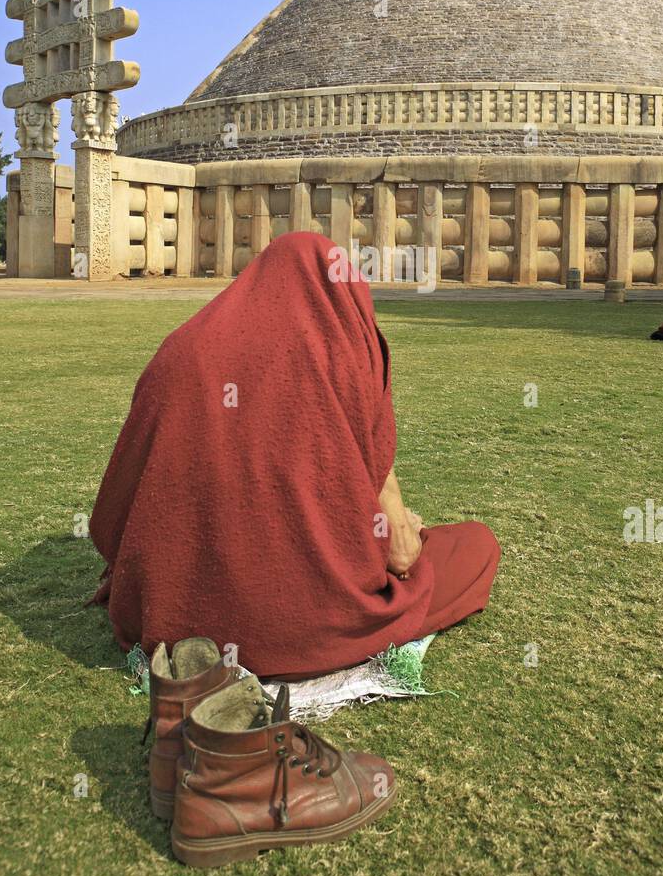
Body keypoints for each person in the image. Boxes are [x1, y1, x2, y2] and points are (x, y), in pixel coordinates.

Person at [88, 232, 500, 679]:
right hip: (304, 627)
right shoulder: (338, 362)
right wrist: (397, 527)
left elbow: (114, 520)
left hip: (172, 618)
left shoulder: (180, 350)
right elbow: (400, 556)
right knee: (476, 545)